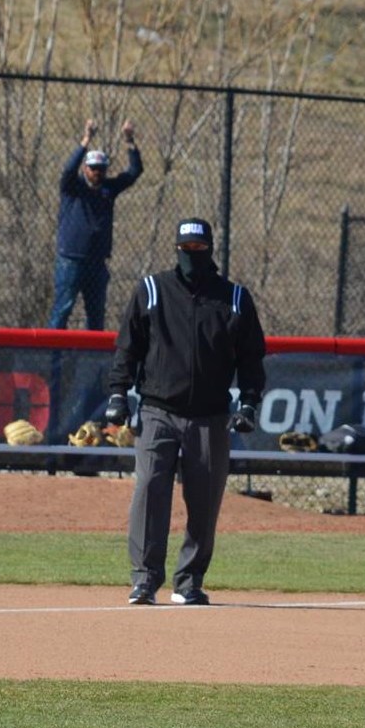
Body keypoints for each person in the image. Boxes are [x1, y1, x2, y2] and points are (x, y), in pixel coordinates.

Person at [104, 218, 266, 606]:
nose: (191, 254)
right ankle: (144, 579)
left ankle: (189, 580)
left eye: (198, 248)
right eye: (185, 248)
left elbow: (251, 358)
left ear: (210, 248)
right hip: (159, 409)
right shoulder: (152, 290)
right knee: (149, 491)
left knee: (205, 501)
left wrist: (248, 402)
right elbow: (128, 347)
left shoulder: (235, 298)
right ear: (176, 249)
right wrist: (118, 394)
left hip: (210, 416)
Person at [50, 118, 143, 330]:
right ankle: (52, 360)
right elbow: (68, 171)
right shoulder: (72, 188)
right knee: (61, 313)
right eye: (93, 168)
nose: (97, 172)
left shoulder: (108, 189)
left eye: (101, 168)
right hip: (71, 259)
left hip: (97, 262)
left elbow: (134, 172)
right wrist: (86, 140)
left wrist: (129, 140)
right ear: (85, 168)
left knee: (96, 316)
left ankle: (91, 363)